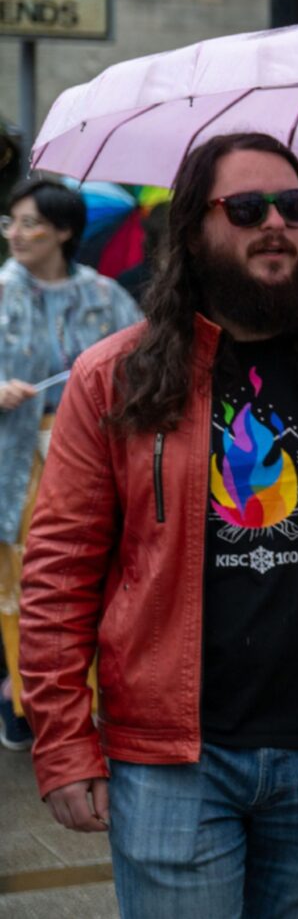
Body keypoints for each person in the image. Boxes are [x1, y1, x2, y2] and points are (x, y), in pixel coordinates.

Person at [19, 134, 298, 916]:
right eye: (247, 209)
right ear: (192, 229)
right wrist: (61, 738)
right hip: (172, 763)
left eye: (295, 207)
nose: (277, 225)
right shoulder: (113, 376)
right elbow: (59, 569)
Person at [0, 176, 140, 749]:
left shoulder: (106, 295)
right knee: (29, 578)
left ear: (63, 231)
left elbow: (142, 357)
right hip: (17, 460)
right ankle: (26, 698)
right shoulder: (2, 290)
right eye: (10, 222)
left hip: (89, 452)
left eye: (30, 223)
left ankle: (100, 696)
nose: (16, 234)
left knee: (93, 568)